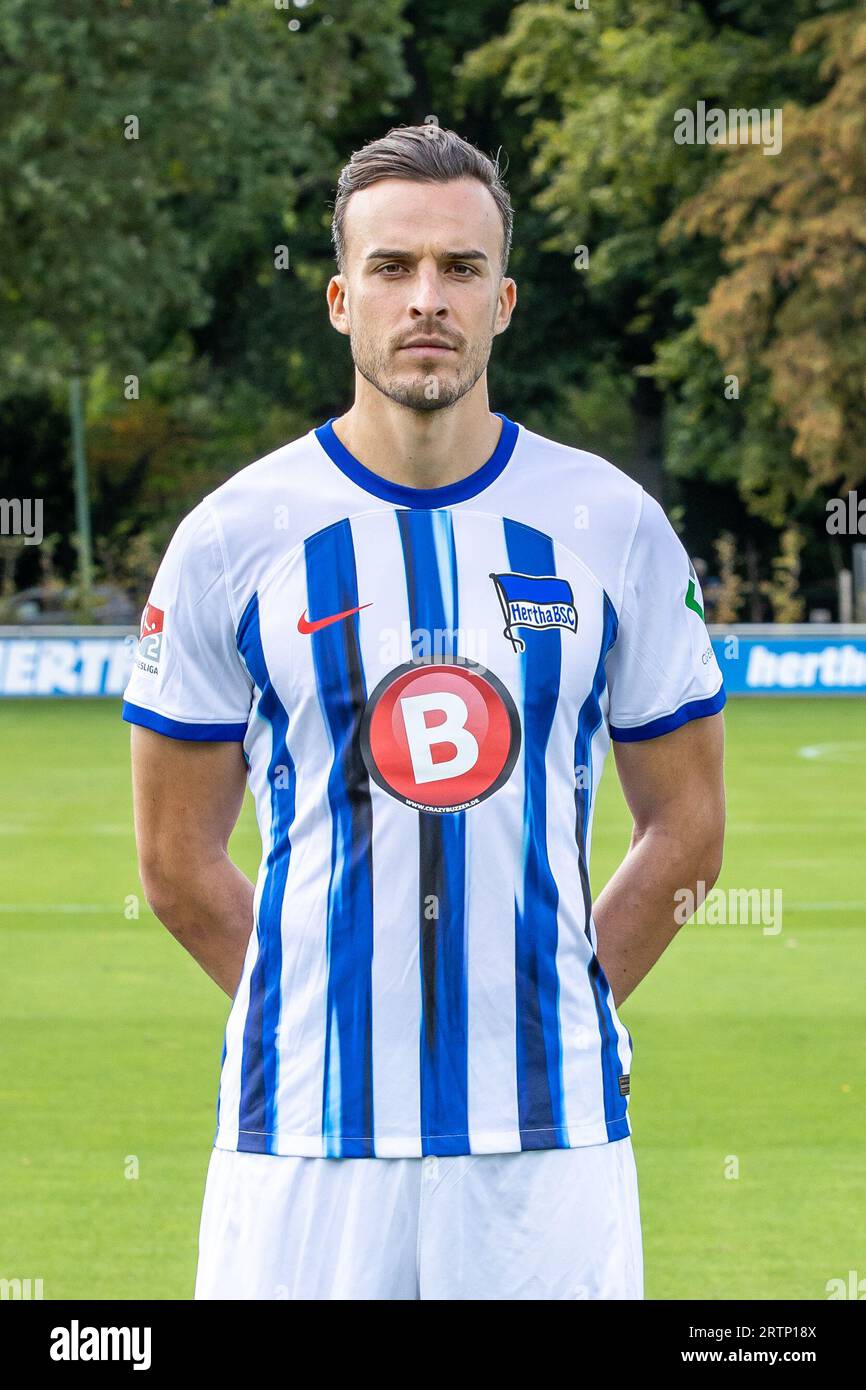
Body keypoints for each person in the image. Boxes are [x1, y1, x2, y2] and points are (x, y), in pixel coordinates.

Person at [123, 124, 726, 1300]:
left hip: (544, 1146)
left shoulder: (611, 525)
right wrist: (334, 1008)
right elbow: (175, 862)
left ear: (503, 301)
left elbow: (688, 828)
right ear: (341, 300)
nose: (426, 299)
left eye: (458, 270)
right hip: (302, 1137)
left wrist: (555, 1003)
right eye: (393, 269)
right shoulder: (234, 538)